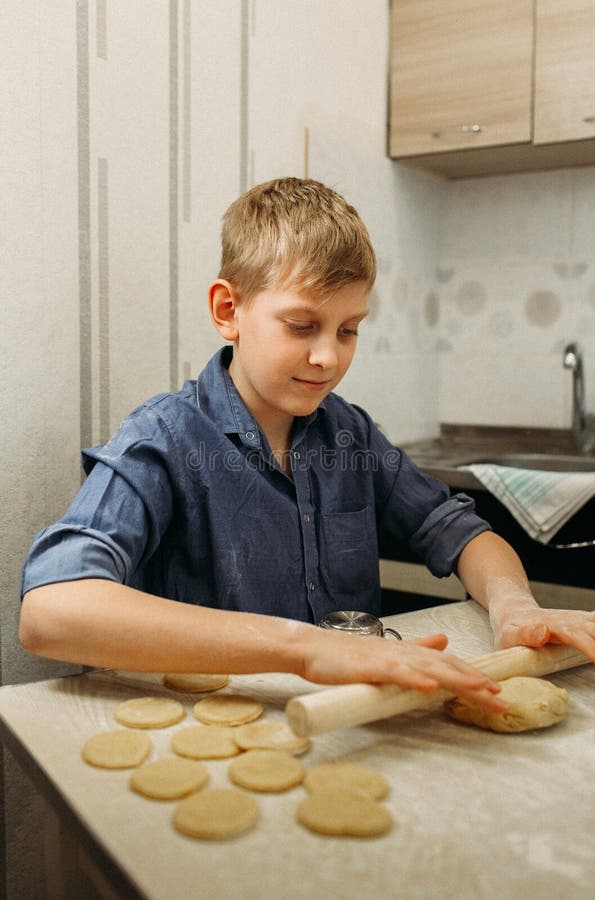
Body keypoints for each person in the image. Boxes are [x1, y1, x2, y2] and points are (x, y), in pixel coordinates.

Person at [20, 177, 595, 711]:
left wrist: (514, 604)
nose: (329, 357)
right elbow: (51, 609)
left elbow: (462, 532)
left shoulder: (350, 434)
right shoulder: (162, 439)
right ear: (229, 310)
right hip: (215, 723)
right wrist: (301, 646)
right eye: (302, 326)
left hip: (342, 721)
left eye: (348, 331)